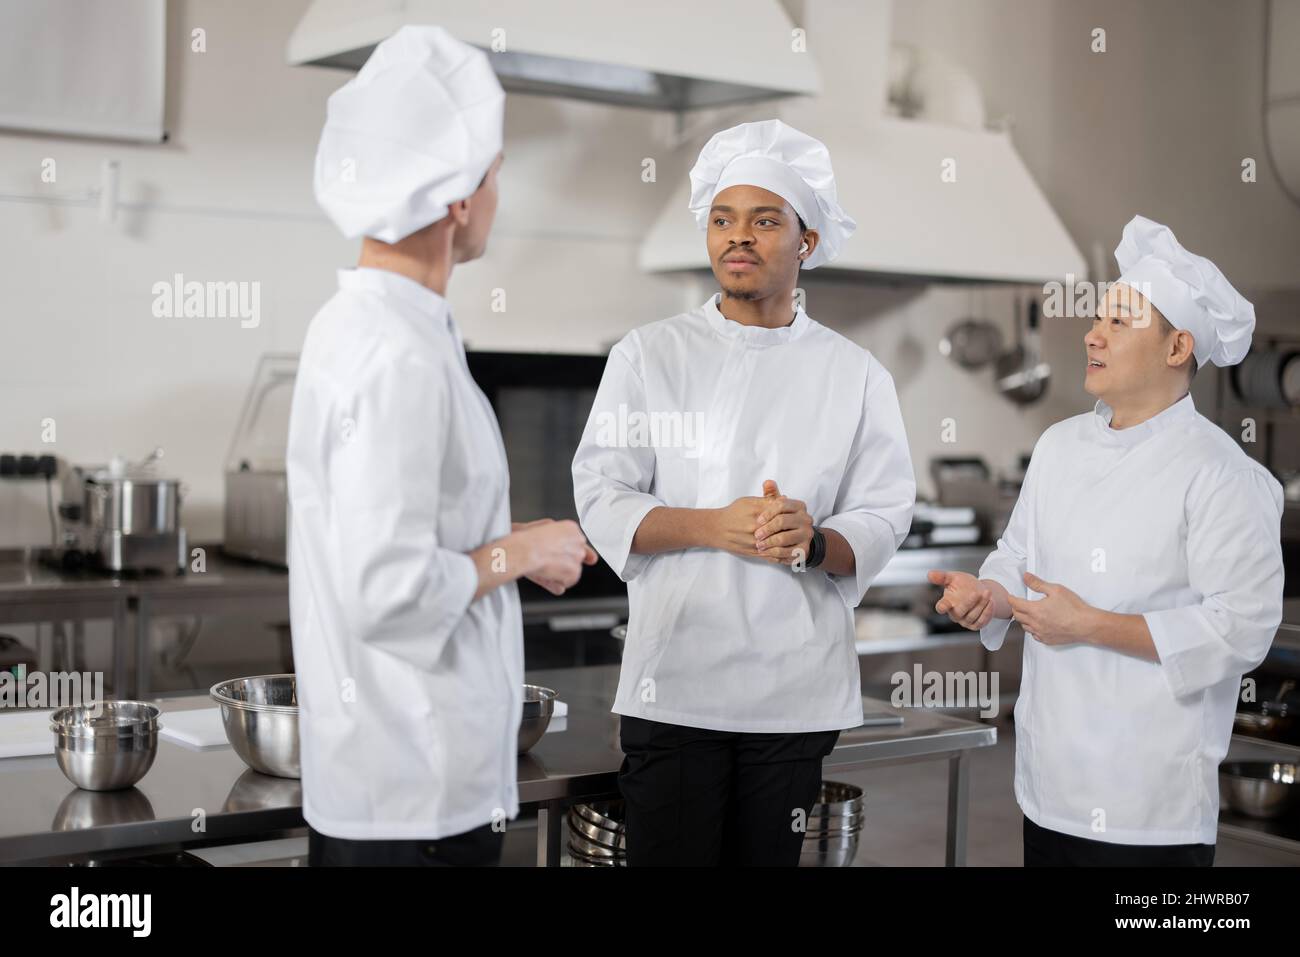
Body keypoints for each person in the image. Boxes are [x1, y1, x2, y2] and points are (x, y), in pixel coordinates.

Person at [287, 26, 595, 867]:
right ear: (459, 196)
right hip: (408, 802)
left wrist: (511, 549)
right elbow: (387, 587)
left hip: (412, 788)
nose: (499, 191)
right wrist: (519, 546)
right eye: (495, 172)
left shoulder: (382, 326)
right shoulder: (392, 348)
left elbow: (406, 540)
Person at [572, 119, 916, 866]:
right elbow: (602, 492)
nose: (738, 238)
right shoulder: (648, 356)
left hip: (790, 694)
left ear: (807, 243)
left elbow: (887, 509)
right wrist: (711, 525)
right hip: (674, 685)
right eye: (723, 219)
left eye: (765, 221)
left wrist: (817, 539)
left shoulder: (855, 375)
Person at [929, 215, 1285, 866]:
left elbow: (1239, 630)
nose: (1091, 334)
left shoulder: (1222, 474)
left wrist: (1091, 624)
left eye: (1120, 321)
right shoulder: (1060, 446)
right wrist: (989, 593)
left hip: (1152, 810)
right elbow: (1018, 558)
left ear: (1178, 347)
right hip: (1051, 786)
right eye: (1098, 318)